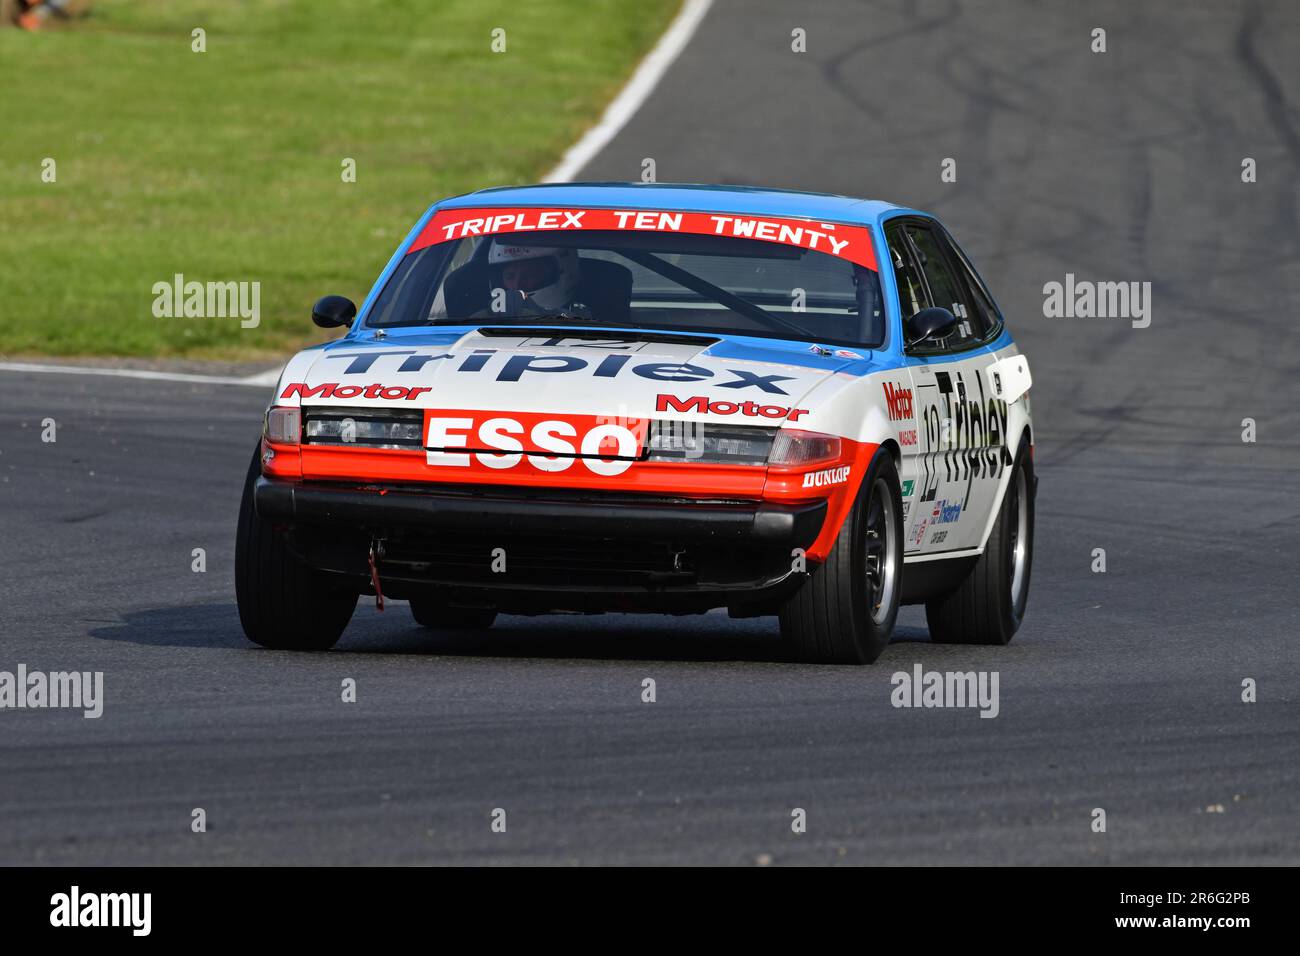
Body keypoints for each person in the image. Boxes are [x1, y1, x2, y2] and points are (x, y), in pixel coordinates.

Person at [481, 241, 589, 318]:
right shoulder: (485, 319)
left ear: (564, 271)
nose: (517, 285)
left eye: (529, 275)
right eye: (509, 276)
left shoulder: (591, 318)